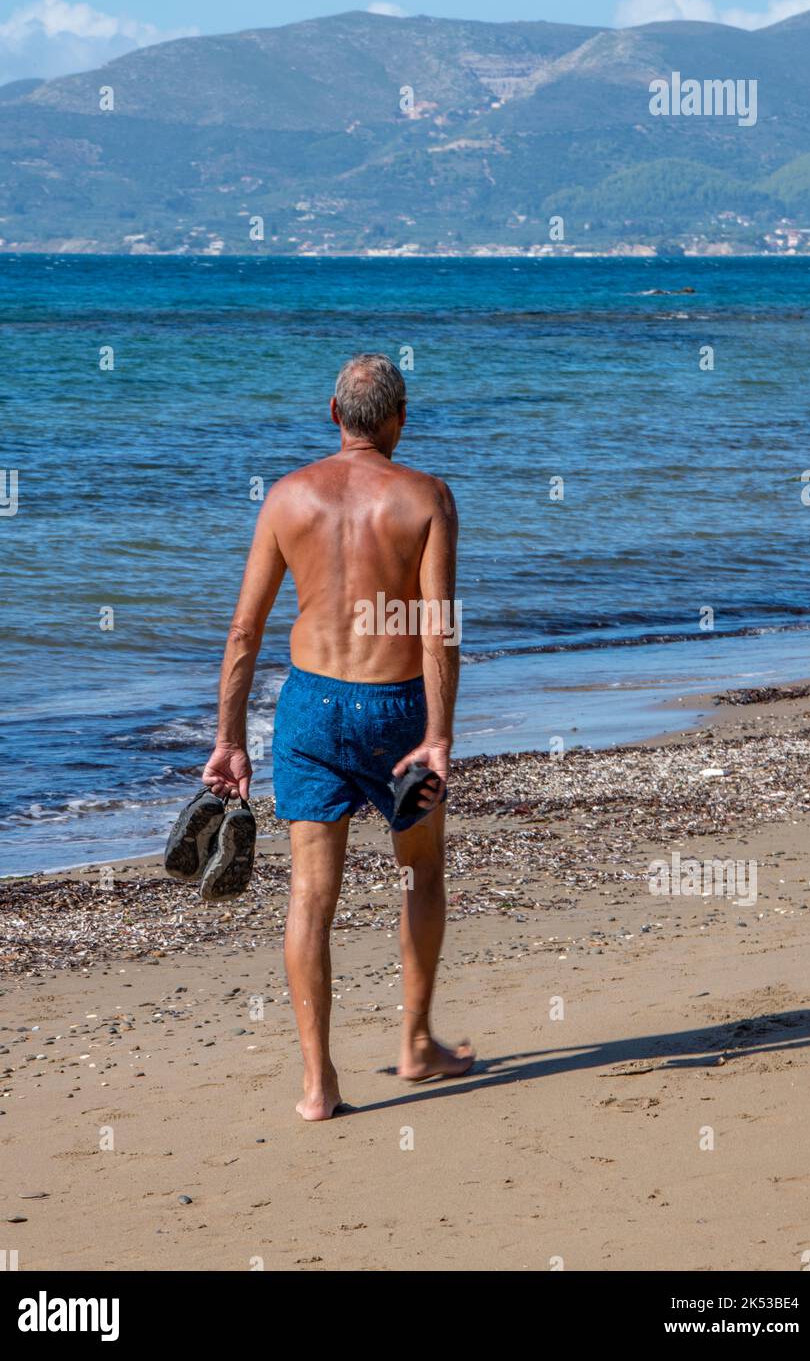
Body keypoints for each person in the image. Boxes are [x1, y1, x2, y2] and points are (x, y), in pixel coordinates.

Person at [202, 354, 473, 1120]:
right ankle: (415, 1045)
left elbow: (244, 630)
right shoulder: (425, 497)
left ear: (332, 414)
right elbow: (437, 632)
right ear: (400, 418)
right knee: (419, 874)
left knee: (309, 899)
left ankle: (318, 1086)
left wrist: (229, 737)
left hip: (310, 709)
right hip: (394, 709)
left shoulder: (287, 497)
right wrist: (439, 735)